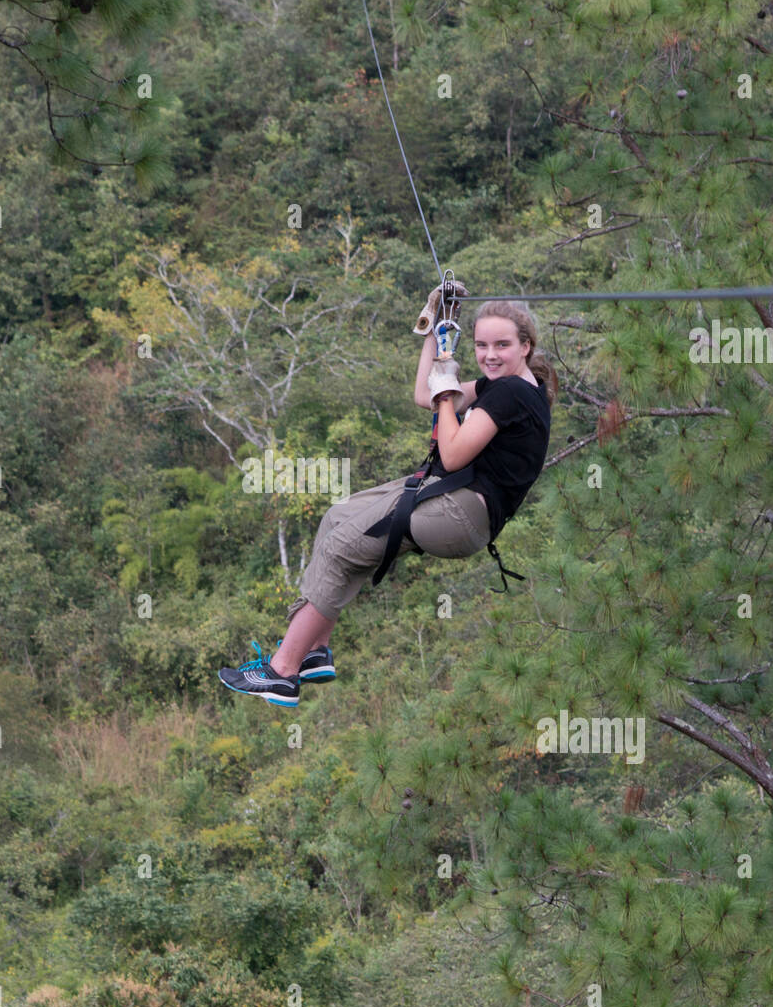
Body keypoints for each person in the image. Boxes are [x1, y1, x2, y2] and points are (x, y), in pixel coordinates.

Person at [218, 293, 556, 707]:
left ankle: (282, 672)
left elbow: (450, 452)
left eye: (501, 345)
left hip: (460, 511)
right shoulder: (509, 386)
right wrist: (434, 330)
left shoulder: (510, 396)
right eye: (481, 345)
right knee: (337, 519)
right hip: (453, 498)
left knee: (343, 548)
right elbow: (423, 395)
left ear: (526, 347)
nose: (488, 355)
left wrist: (447, 387)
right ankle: (313, 651)